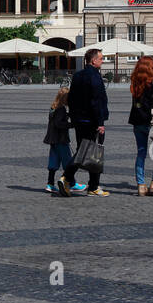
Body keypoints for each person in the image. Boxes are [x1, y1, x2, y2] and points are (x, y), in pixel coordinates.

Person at [58, 48, 110, 196]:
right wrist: (100, 122)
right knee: (88, 151)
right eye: (101, 58)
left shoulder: (78, 75)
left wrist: (74, 117)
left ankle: (93, 185)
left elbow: (72, 99)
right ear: (93, 60)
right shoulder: (95, 77)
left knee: (89, 151)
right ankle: (67, 177)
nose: (102, 61)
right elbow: (96, 102)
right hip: (91, 120)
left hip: (79, 120)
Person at [127, 56, 153, 196]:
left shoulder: (135, 81)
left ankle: (141, 185)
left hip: (137, 121)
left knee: (141, 153)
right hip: (152, 122)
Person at [43, 87, 73, 193]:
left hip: (53, 139)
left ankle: (50, 183)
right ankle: (72, 183)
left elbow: (56, 120)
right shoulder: (61, 108)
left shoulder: (54, 107)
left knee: (53, 162)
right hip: (61, 139)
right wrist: (71, 124)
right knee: (68, 162)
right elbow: (59, 123)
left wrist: (67, 115)